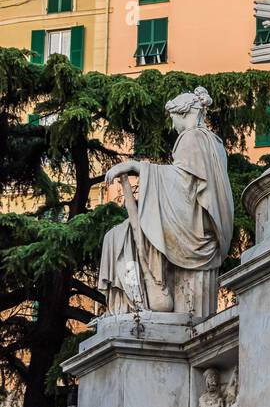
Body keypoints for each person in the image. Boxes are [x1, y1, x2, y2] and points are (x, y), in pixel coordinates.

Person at [99, 87, 234, 313]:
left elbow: (182, 181)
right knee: (121, 235)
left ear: (183, 114)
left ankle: (138, 303)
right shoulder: (214, 141)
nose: (172, 126)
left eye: (173, 119)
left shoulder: (191, 138)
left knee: (117, 239)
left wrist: (136, 167)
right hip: (199, 225)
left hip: (193, 228)